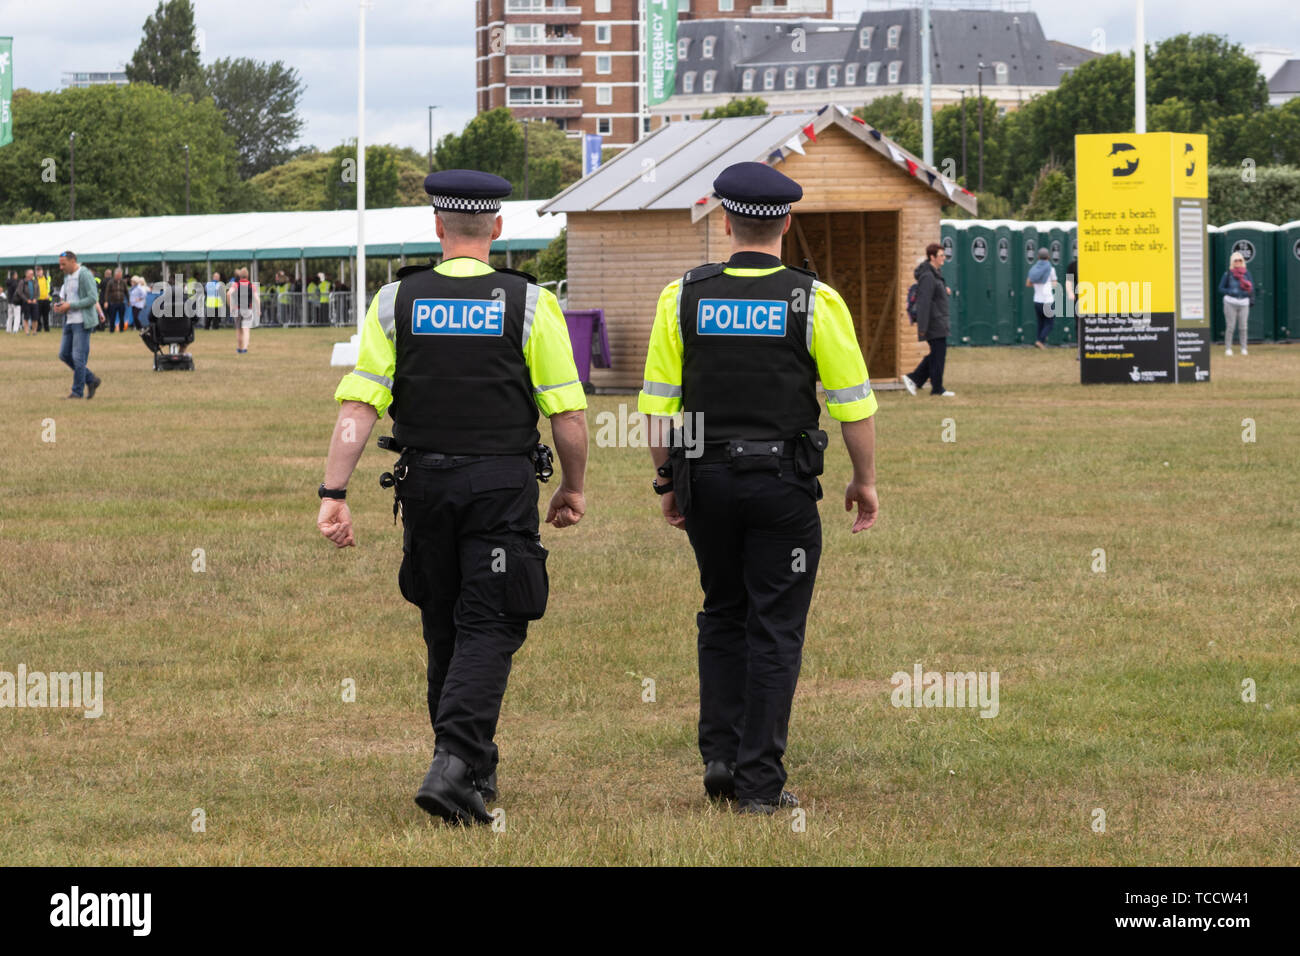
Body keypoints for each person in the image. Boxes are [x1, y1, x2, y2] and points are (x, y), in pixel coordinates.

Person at [317, 169, 589, 826]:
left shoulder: (395, 300)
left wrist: (333, 490)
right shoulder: (529, 304)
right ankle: (455, 762)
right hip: (500, 484)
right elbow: (568, 414)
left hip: (425, 486)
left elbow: (360, 405)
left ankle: (475, 767)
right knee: (491, 620)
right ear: (496, 228)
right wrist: (574, 487)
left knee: (444, 622)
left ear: (439, 227)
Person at [638, 162, 880, 814]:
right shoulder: (813, 300)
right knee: (774, 628)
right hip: (783, 485)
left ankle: (720, 759)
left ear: (725, 220)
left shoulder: (681, 297)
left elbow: (659, 408)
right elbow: (853, 404)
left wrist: (668, 480)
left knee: (722, 612)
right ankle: (759, 785)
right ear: (787, 222)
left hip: (705, 480)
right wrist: (864, 480)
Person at [902, 243, 955, 397]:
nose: (943, 258)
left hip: (939, 321)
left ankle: (926, 383)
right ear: (932, 257)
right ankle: (920, 381)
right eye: (941, 256)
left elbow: (935, 296)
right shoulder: (928, 276)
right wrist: (922, 328)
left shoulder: (935, 274)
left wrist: (945, 291)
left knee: (937, 354)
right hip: (933, 322)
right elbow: (924, 303)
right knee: (938, 353)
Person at [53, 251, 103, 399]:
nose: (61, 267)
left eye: (64, 264)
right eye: (60, 264)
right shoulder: (67, 277)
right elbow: (70, 298)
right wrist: (61, 306)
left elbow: (93, 298)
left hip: (82, 321)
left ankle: (77, 392)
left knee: (78, 358)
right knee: (64, 354)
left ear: (73, 261)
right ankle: (91, 379)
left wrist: (71, 305)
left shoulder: (85, 274)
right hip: (69, 321)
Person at [1218, 251, 1253, 357]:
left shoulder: (1247, 273)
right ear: (1232, 262)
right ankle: (1228, 348)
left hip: (1243, 302)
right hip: (1230, 302)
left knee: (1243, 326)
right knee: (1230, 326)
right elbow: (1220, 288)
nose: (1237, 262)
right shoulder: (1228, 274)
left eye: (1239, 260)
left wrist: (1247, 291)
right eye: (1235, 260)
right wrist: (1230, 291)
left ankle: (1244, 348)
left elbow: (1252, 288)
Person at [1026, 247, 1057, 349]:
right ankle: (1040, 340)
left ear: (1038, 257)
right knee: (1050, 323)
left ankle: (1039, 341)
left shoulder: (1033, 270)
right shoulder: (1051, 269)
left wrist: (1038, 282)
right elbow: (1055, 284)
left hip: (1037, 300)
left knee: (1041, 322)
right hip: (1048, 300)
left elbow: (1028, 284)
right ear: (1048, 257)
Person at [226, 267, 259, 353]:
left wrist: (230, 305)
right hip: (247, 309)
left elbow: (228, 293)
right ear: (247, 275)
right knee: (246, 329)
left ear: (240, 276)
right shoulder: (251, 285)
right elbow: (257, 298)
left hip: (237, 309)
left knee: (238, 329)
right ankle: (244, 348)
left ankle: (239, 348)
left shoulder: (236, 284)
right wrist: (259, 309)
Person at [105, 268, 129, 333]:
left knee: (122, 317)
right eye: (119, 275)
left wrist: (129, 301)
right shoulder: (110, 282)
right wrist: (106, 301)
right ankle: (112, 330)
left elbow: (126, 292)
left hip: (121, 302)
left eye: (120, 275)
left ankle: (121, 329)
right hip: (113, 303)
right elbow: (107, 292)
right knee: (112, 317)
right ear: (115, 275)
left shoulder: (123, 282)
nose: (120, 276)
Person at [17, 269, 38, 335]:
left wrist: (35, 298)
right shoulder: (22, 282)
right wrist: (26, 299)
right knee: (26, 317)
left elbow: (38, 291)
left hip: (34, 302)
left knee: (35, 318)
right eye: (31, 273)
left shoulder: (35, 281)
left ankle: (34, 331)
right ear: (27, 274)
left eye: (32, 273)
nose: (32, 275)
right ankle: (27, 331)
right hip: (26, 302)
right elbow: (19, 292)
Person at [36, 266, 52, 332]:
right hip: (38, 300)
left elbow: (52, 288)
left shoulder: (47, 278)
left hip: (46, 300)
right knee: (38, 315)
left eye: (40, 271)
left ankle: (46, 328)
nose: (39, 272)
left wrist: (49, 295)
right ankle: (38, 328)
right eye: (37, 271)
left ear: (42, 271)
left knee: (46, 315)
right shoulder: (35, 279)